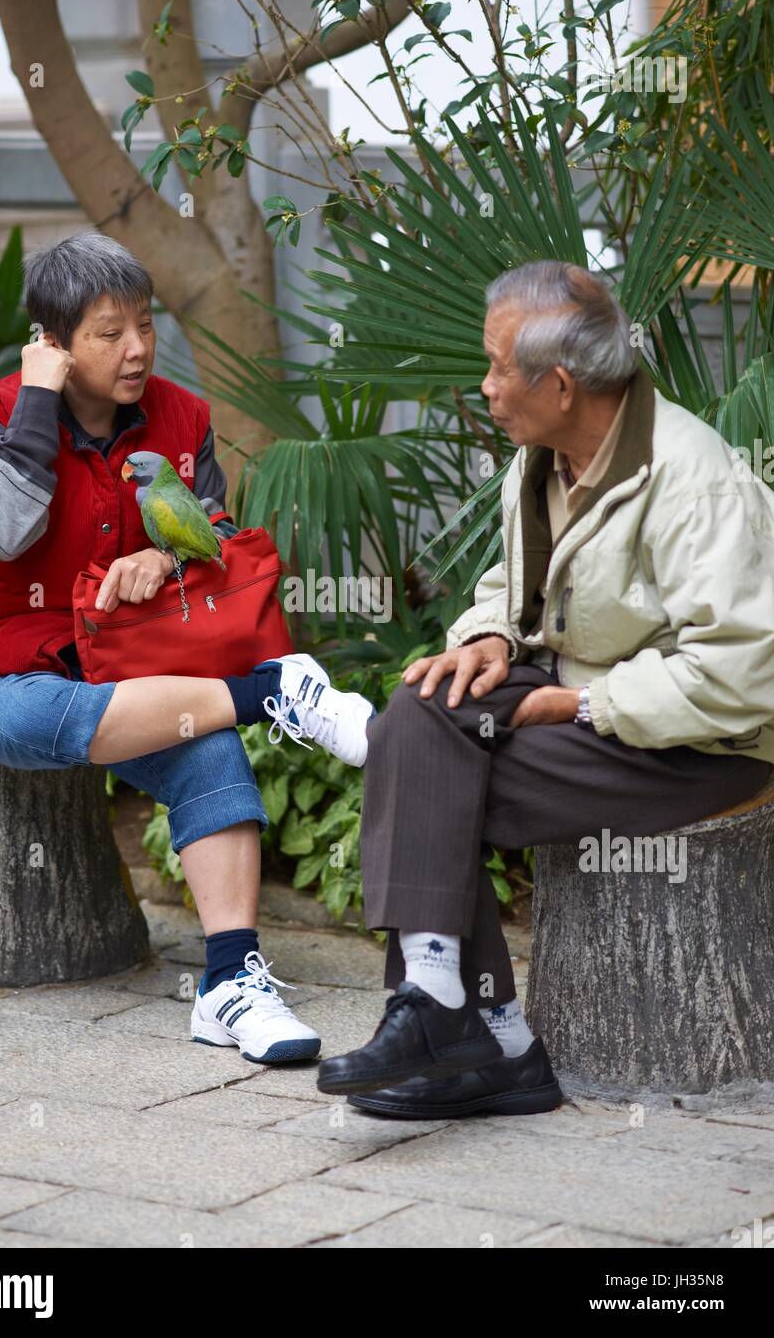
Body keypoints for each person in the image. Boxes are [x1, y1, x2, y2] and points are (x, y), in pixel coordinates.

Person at [317, 259, 774, 1116]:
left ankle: (490, 1045)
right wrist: (488, 634)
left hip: (700, 741)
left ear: (561, 385)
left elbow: (741, 672)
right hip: (573, 690)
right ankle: (440, 1003)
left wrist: (585, 704)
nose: (486, 387)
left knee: (437, 784)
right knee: (419, 714)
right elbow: (517, 584)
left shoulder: (693, 479)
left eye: (497, 367)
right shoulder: (547, 456)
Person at [0, 230, 373, 1067]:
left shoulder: (179, 417)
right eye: (107, 332)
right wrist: (35, 401)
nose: (136, 349)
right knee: (24, 720)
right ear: (53, 344)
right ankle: (269, 693)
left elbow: (221, 537)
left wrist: (162, 556)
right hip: (2, 658)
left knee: (203, 743)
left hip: (134, 664)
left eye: (145, 324)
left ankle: (231, 985)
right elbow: (5, 531)